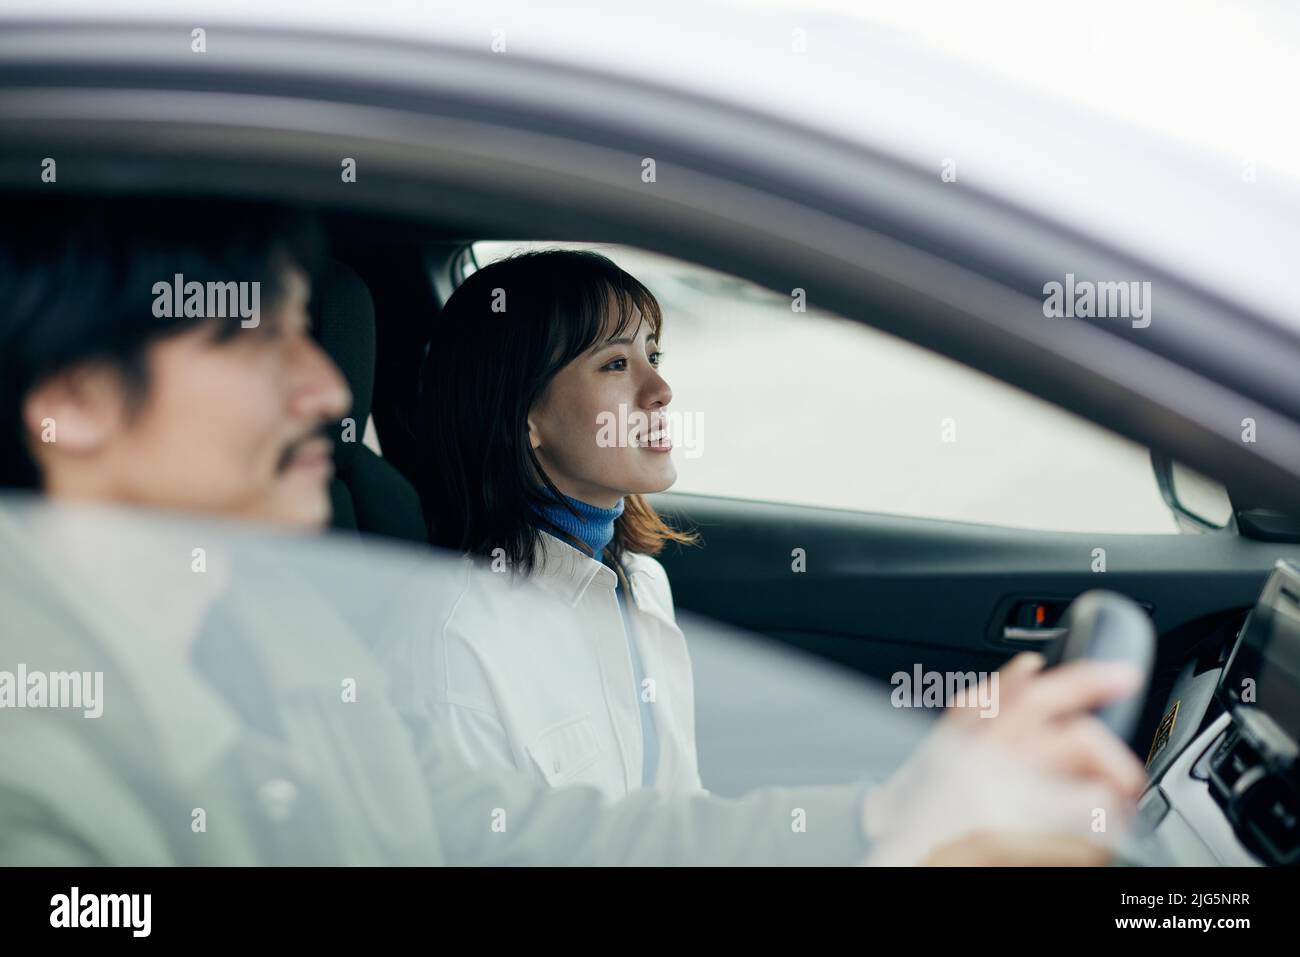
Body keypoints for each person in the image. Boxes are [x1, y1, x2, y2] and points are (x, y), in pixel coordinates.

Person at [0, 197, 1147, 865]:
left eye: (315, 331)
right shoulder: (35, 785)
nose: (325, 387)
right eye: (253, 339)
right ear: (75, 400)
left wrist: (885, 819)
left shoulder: (286, 639)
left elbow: (532, 837)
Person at [397, 250, 700, 799]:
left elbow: (683, 820)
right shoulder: (457, 640)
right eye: (614, 364)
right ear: (525, 417)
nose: (660, 389)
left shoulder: (645, 584)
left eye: (653, 355)